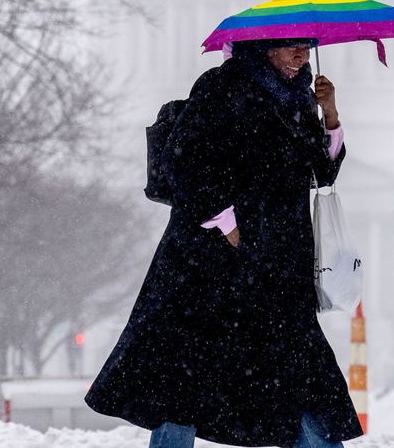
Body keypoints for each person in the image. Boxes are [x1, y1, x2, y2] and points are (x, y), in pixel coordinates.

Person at [85, 37, 362, 448]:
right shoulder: (223, 86)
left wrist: (331, 115)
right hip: (214, 263)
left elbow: (323, 172)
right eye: (291, 47)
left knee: (302, 376)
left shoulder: (302, 99)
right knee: (186, 377)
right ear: (264, 48)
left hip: (280, 264)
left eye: (306, 46)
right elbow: (184, 158)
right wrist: (227, 224)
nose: (301, 55)